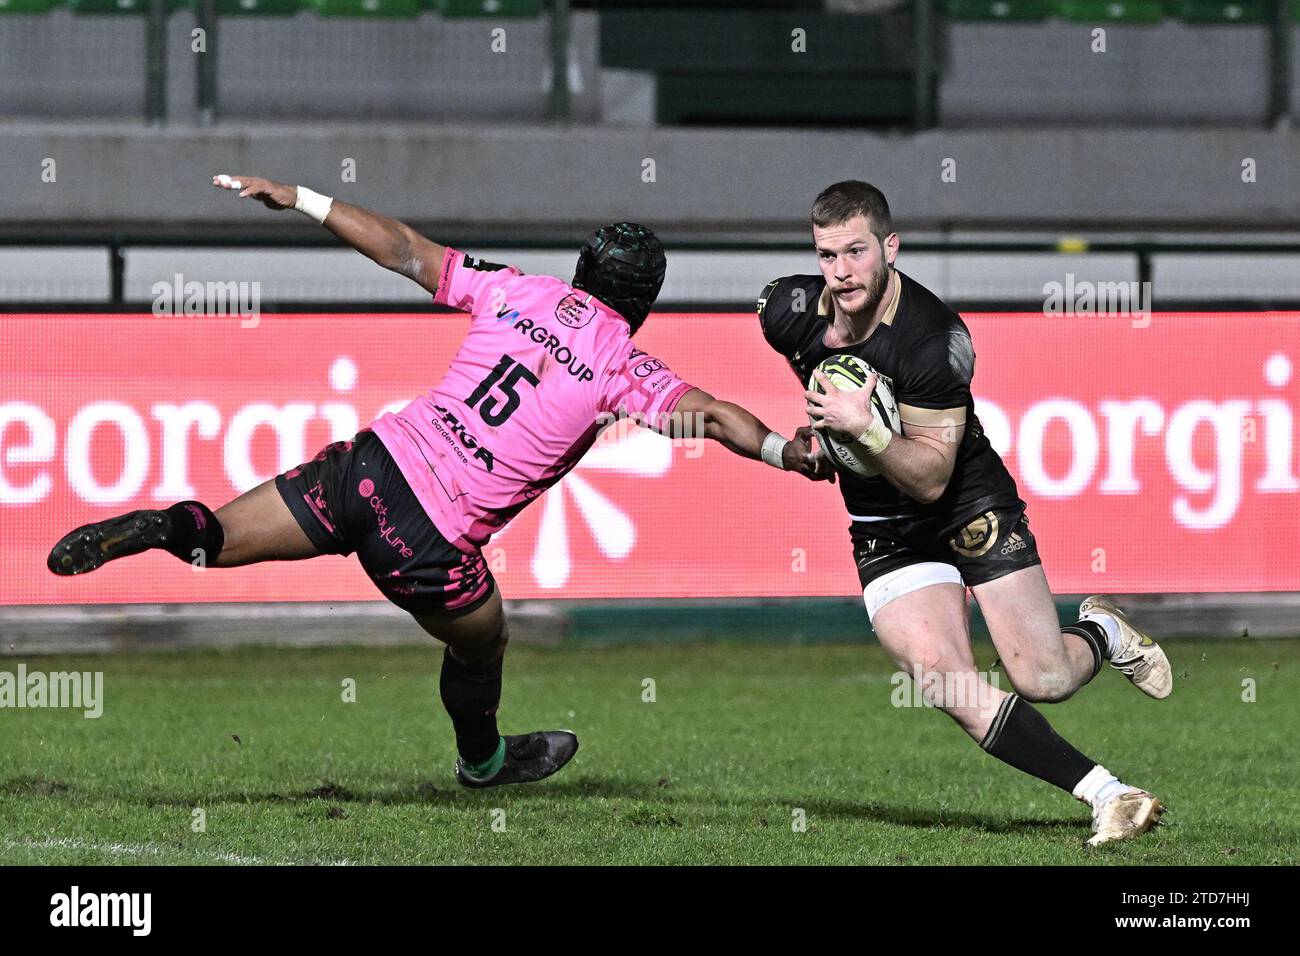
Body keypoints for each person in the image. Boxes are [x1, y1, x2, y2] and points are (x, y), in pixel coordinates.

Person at [47, 174, 827, 790]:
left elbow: (403, 249)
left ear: (583, 269)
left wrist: (303, 198)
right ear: (643, 301)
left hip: (368, 465)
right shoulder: (624, 364)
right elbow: (716, 418)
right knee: (486, 638)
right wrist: (788, 455)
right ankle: (483, 764)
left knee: (213, 542)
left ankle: (156, 529)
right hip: (426, 538)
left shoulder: (514, 289)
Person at [757, 180, 1171, 845]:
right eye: (826, 255)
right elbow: (815, 375)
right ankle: (1110, 795)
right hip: (884, 529)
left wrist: (862, 430)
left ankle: (1104, 635)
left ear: (891, 247)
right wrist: (824, 439)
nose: (840, 273)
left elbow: (928, 477)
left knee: (1044, 677)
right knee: (945, 681)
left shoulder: (934, 340)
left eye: (856, 253)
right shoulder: (786, 308)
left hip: (963, 499)